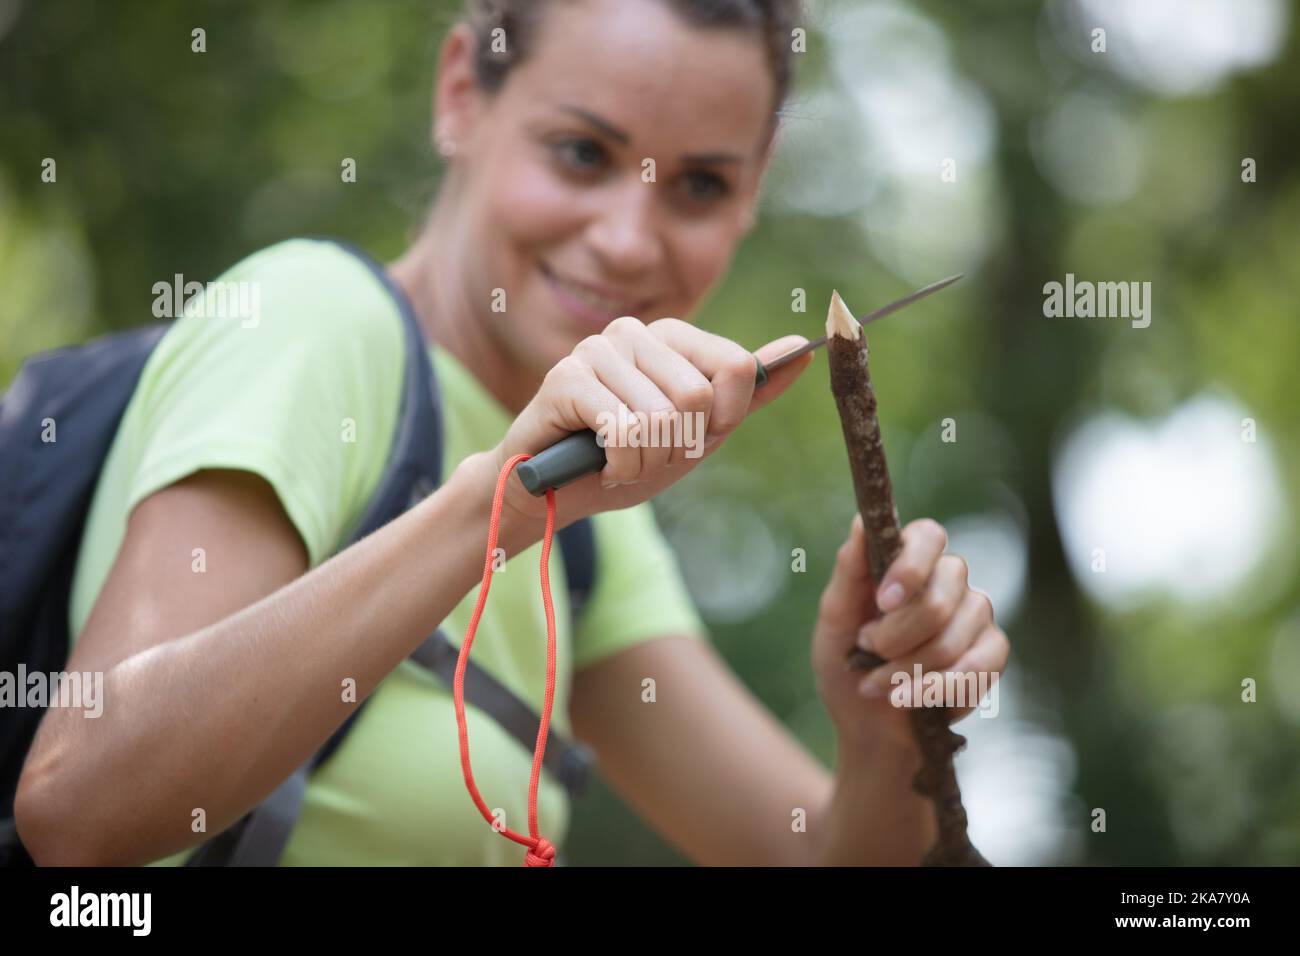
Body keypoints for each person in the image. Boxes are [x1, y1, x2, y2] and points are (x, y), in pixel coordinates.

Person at [15, 0, 1009, 866]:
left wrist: (883, 733)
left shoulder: (594, 519)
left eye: (700, 184)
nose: (627, 237)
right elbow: (75, 809)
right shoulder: (314, 319)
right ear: (461, 93)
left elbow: (805, 853)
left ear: (756, 186)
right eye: (582, 153)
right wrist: (493, 504)